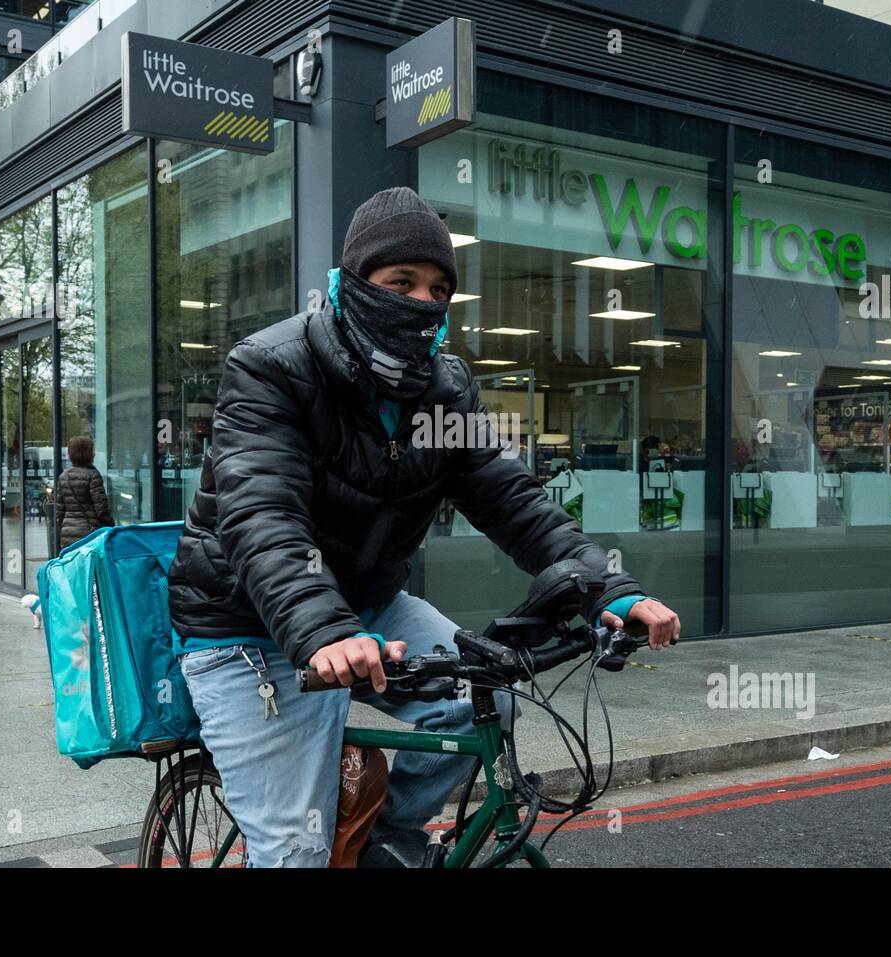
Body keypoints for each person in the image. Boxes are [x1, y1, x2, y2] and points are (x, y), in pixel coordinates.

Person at [166, 186, 681, 868]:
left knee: (483, 704)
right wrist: (323, 628)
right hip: (245, 627)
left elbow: (514, 501)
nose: (420, 302)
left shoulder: (445, 388)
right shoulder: (273, 367)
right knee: (296, 849)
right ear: (353, 282)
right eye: (400, 281)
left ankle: (381, 842)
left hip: (369, 605)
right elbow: (263, 515)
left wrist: (608, 588)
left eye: (438, 288)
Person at [53, 435, 114, 548]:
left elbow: (59, 512)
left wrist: (65, 528)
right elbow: (101, 510)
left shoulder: (63, 477)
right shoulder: (93, 476)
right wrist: (111, 526)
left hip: (68, 534)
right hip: (89, 533)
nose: (94, 453)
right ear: (88, 453)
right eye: (92, 450)